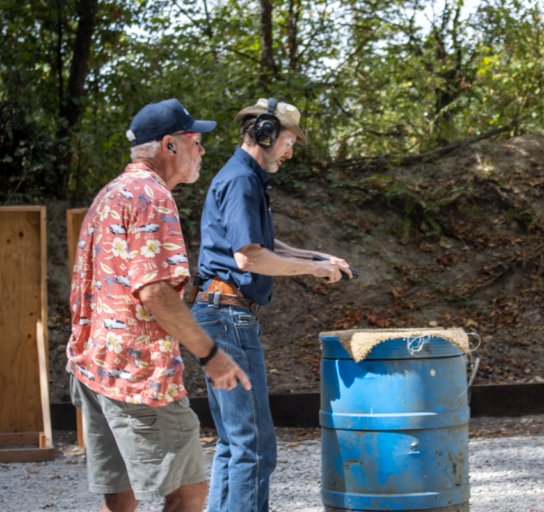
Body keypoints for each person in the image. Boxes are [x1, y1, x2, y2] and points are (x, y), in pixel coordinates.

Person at [67, 98, 251, 512]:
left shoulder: (110, 193)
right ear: (170, 145)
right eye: (196, 141)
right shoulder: (153, 197)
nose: (202, 150)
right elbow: (154, 291)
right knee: (188, 494)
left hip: (96, 366)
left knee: (120, 498)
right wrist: (211, 354)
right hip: (139, 377)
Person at [193, 98, 352, 512]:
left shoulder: (243, 177)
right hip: (227, 316)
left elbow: (264, 244)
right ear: (264, 134)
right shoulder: (243, 180)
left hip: (220, 313)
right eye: (288, 140)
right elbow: (250, 258)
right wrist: (312, 271)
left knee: (235, 443)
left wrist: (315, 257)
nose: (291, 150)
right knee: (256, 446)